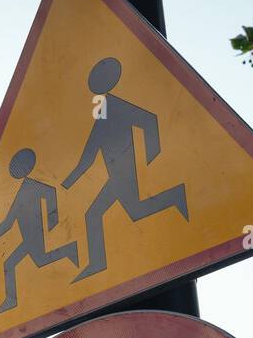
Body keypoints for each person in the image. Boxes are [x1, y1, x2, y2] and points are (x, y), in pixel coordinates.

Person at [61, 57, 189, 280]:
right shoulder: (102, 115)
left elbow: (148, 120)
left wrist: (151, 156)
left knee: (96, 214)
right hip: (116, 176)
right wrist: (67, 183)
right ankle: (175, 196)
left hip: (125, 173)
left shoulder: (116, 106)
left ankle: (97, 263)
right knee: (128, 211)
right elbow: (89, 155)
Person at [0, 147, 79, 315]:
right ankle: (70, 250)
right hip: (27, 238)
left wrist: (52, 220)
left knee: (21, 262)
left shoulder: (33, 186)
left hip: (35, 235)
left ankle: (71, 250)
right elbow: (8, 222)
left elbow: (51, 192)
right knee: (19, 262)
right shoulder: (21, 193)